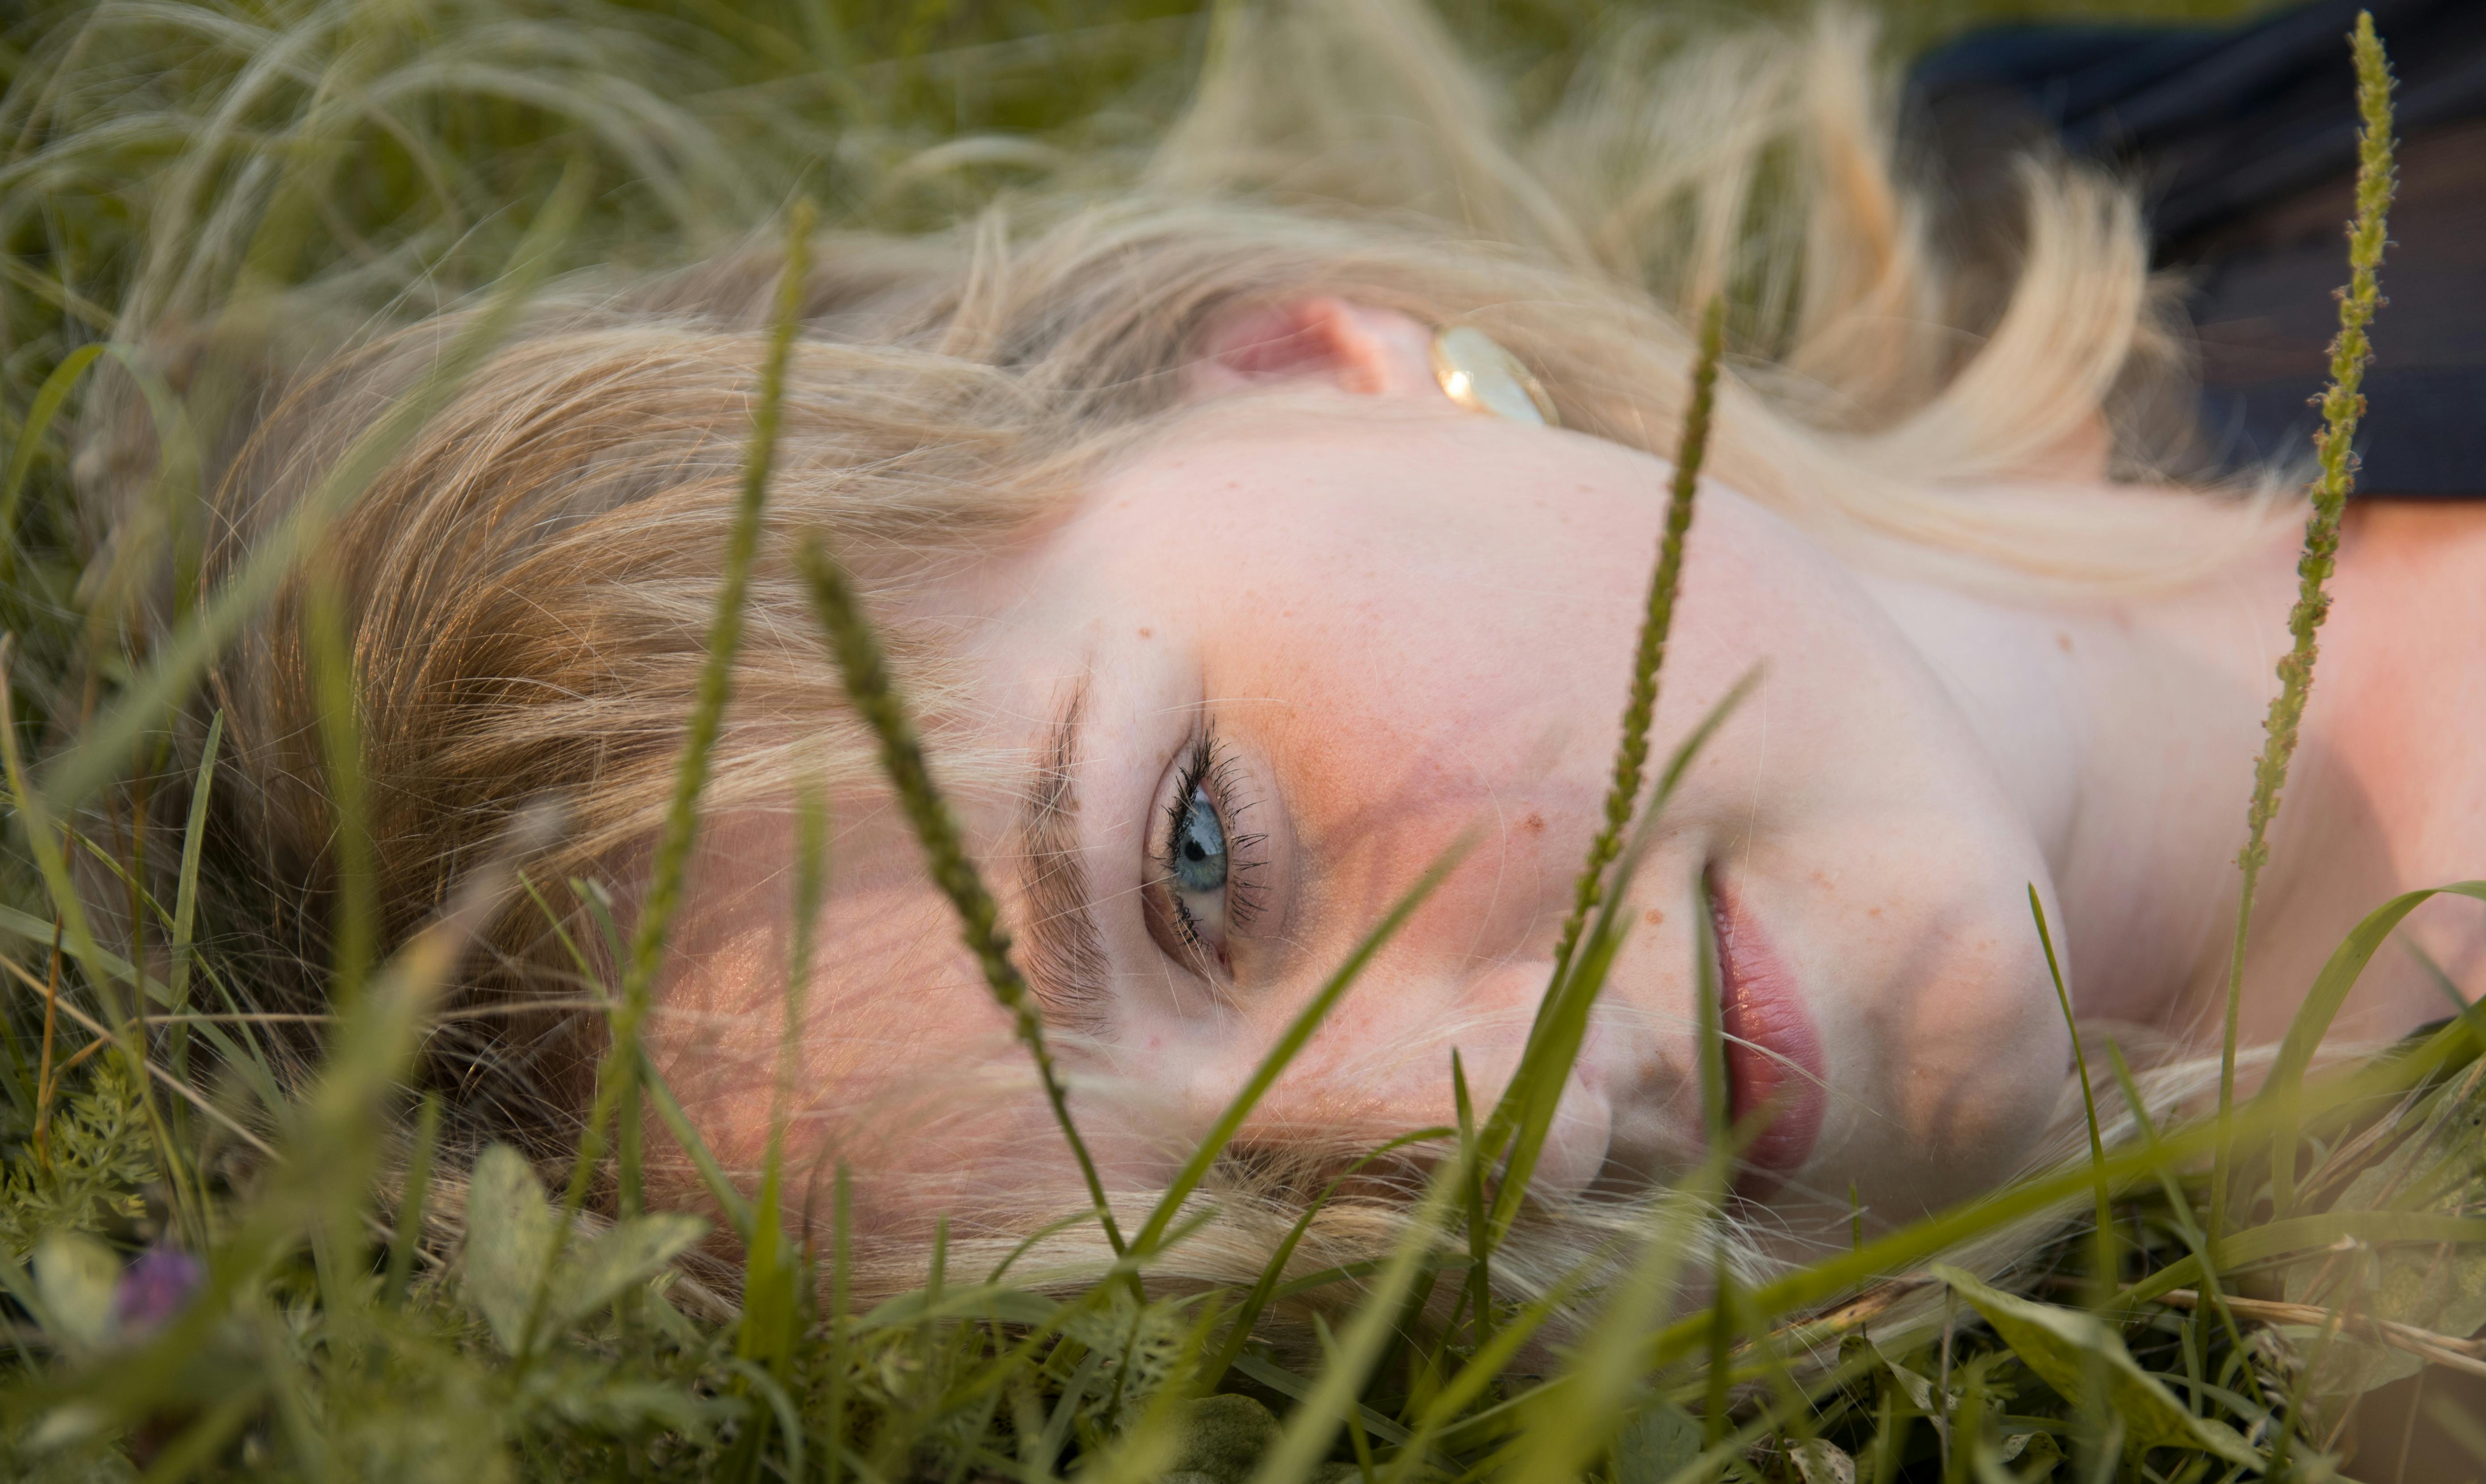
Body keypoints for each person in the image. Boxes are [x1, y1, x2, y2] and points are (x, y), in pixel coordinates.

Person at [77, 0, 2484, 1306]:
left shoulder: (2176, 134)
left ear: (1300, 361)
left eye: (1198, 855)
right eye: (1259, 1263)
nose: (1489, 1133)